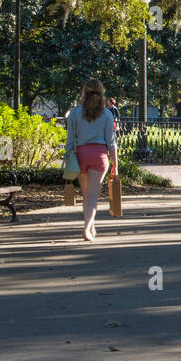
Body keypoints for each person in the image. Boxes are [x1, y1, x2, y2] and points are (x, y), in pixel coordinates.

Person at [66, 78, 119, 242]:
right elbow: (111, 143)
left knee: (86, 194)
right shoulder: (107, 114)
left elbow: (70, 140)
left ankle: (90, 225)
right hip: (99, 156)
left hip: (80, 155)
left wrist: (68, 159)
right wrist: (115, 165)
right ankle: (87, 228)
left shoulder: (74, 113)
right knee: (92, 196)